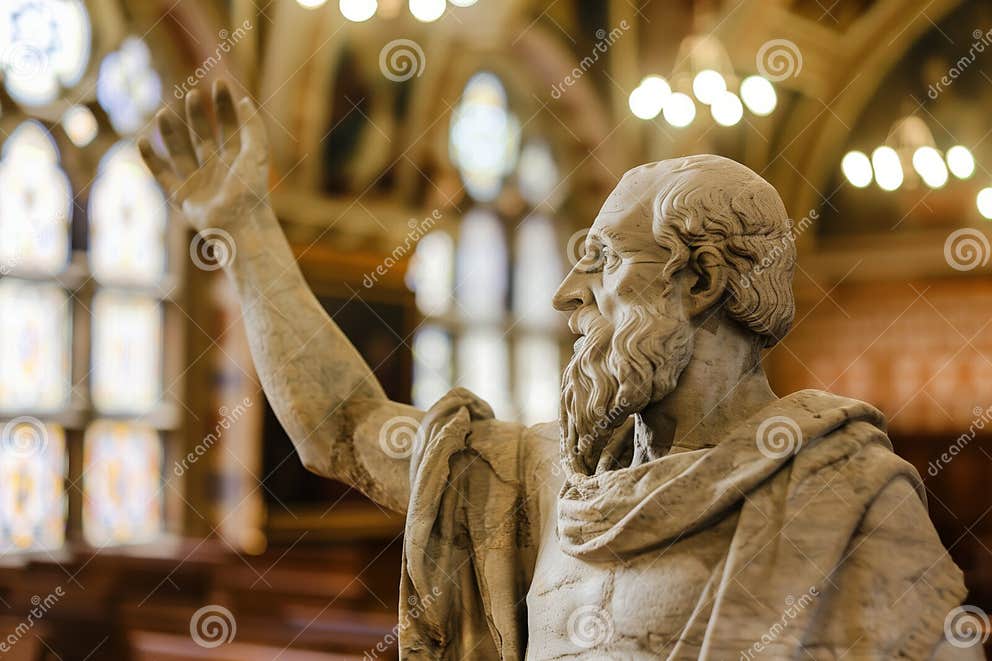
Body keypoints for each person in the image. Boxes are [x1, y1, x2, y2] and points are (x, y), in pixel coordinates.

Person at [140, 81, 980, 660]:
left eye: (602, 261)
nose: (565, 294)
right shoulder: (542, 483)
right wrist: (246, 228)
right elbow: (345, 428)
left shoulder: (843, 498)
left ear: (699, 282)